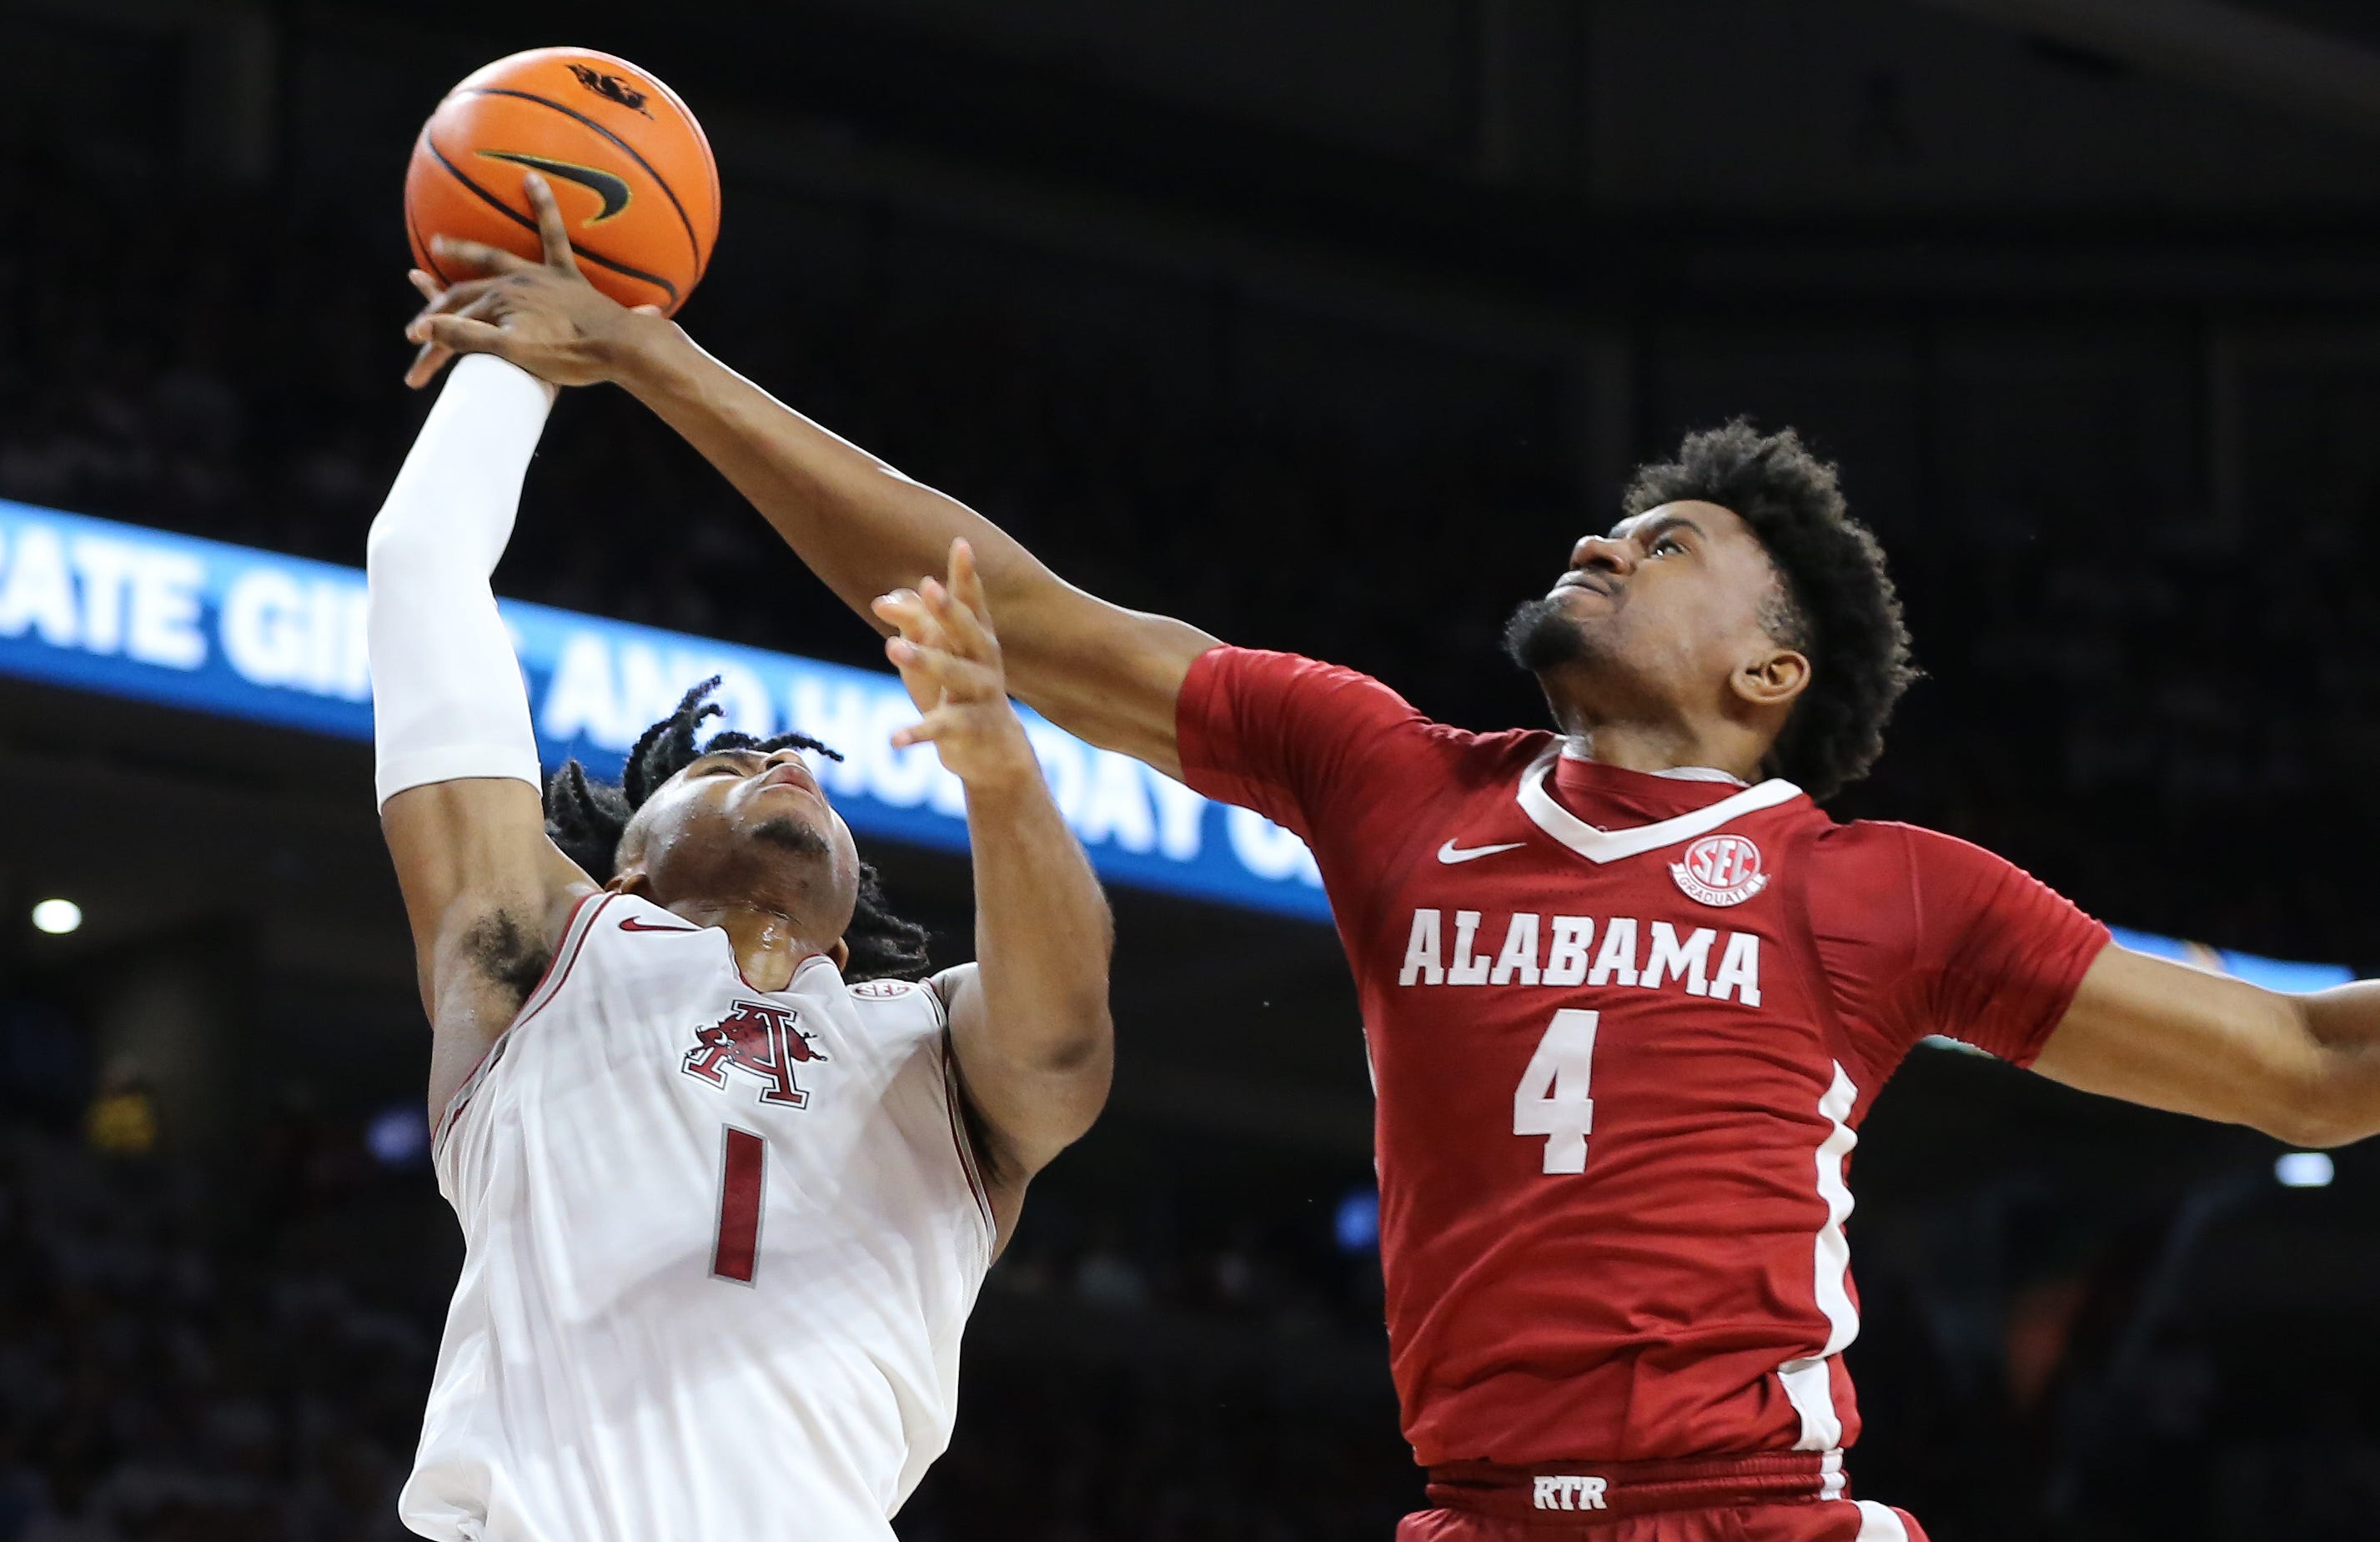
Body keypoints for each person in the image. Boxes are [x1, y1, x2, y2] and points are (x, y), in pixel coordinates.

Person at [405, 174, 2380, 1542]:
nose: (1606, 538)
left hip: (1755, 1510)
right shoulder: (1387, 776)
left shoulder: (1883, 891)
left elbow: (2302, 1069)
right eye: (1617, 520)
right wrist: (650, 359)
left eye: (1668, 542)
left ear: (1770, 670)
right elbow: (1005, 602)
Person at [366, 326, 1114, 1541]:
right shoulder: (539, 948)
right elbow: (418, 567)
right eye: (726, 759)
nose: (777, 761)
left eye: (796, 766)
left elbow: (1066, 1041)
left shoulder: (933, 1046)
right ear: (629, 855)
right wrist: (520, 354)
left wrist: (1003, 779)